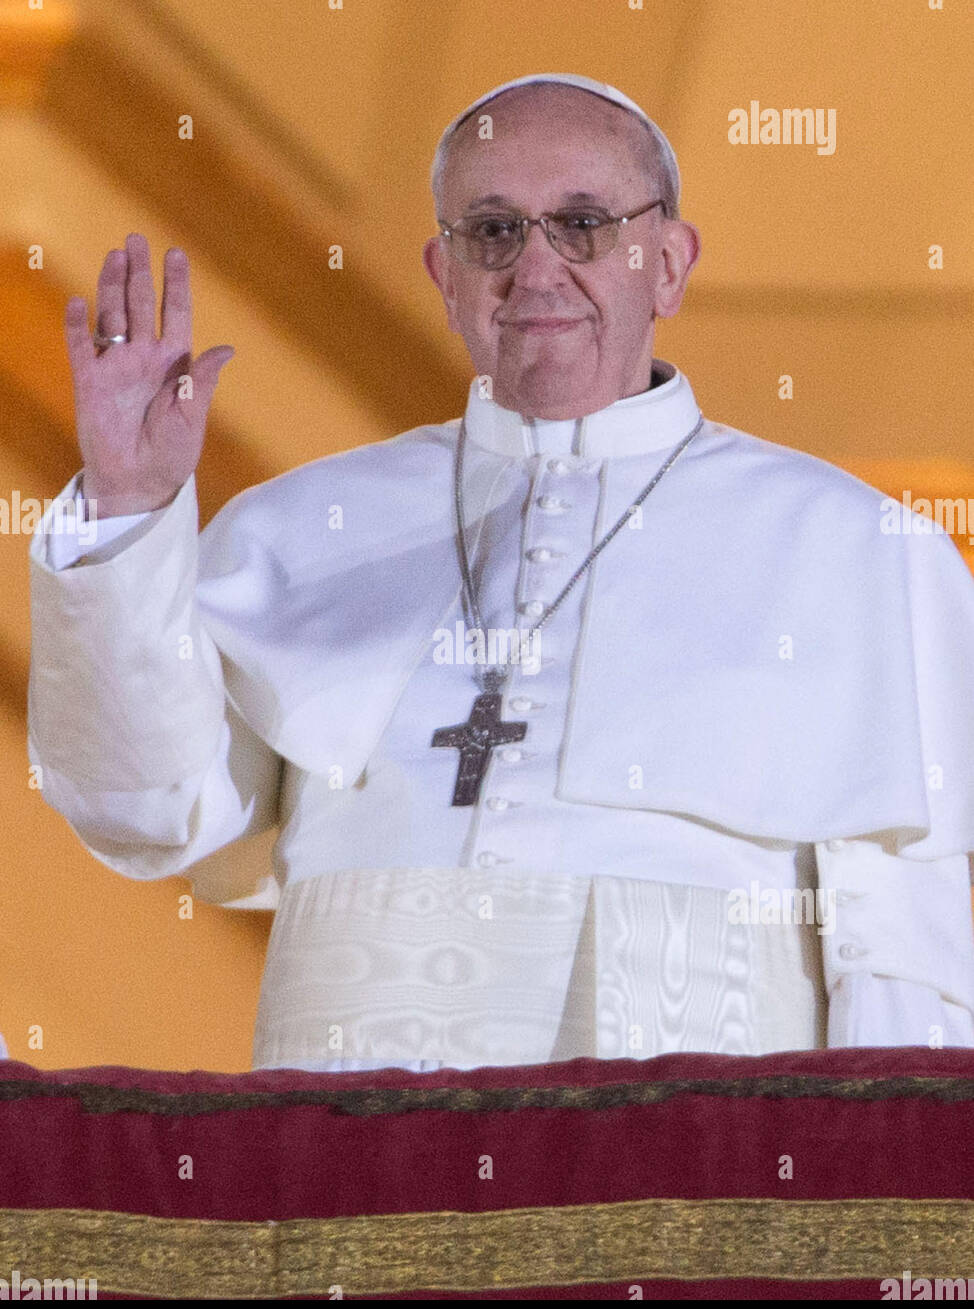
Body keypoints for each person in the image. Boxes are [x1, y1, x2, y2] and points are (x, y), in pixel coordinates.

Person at [27, 73, 974, 1075]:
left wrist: (886, 1205)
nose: (534, 269)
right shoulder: (298, 527)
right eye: (491, 231)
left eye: (581, 224)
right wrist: (128, 503)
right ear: (441, 270)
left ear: (668, 264)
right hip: (347, 1140)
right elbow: (145, 809)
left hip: (693, 1171)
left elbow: (899, 958)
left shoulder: (855, 551)